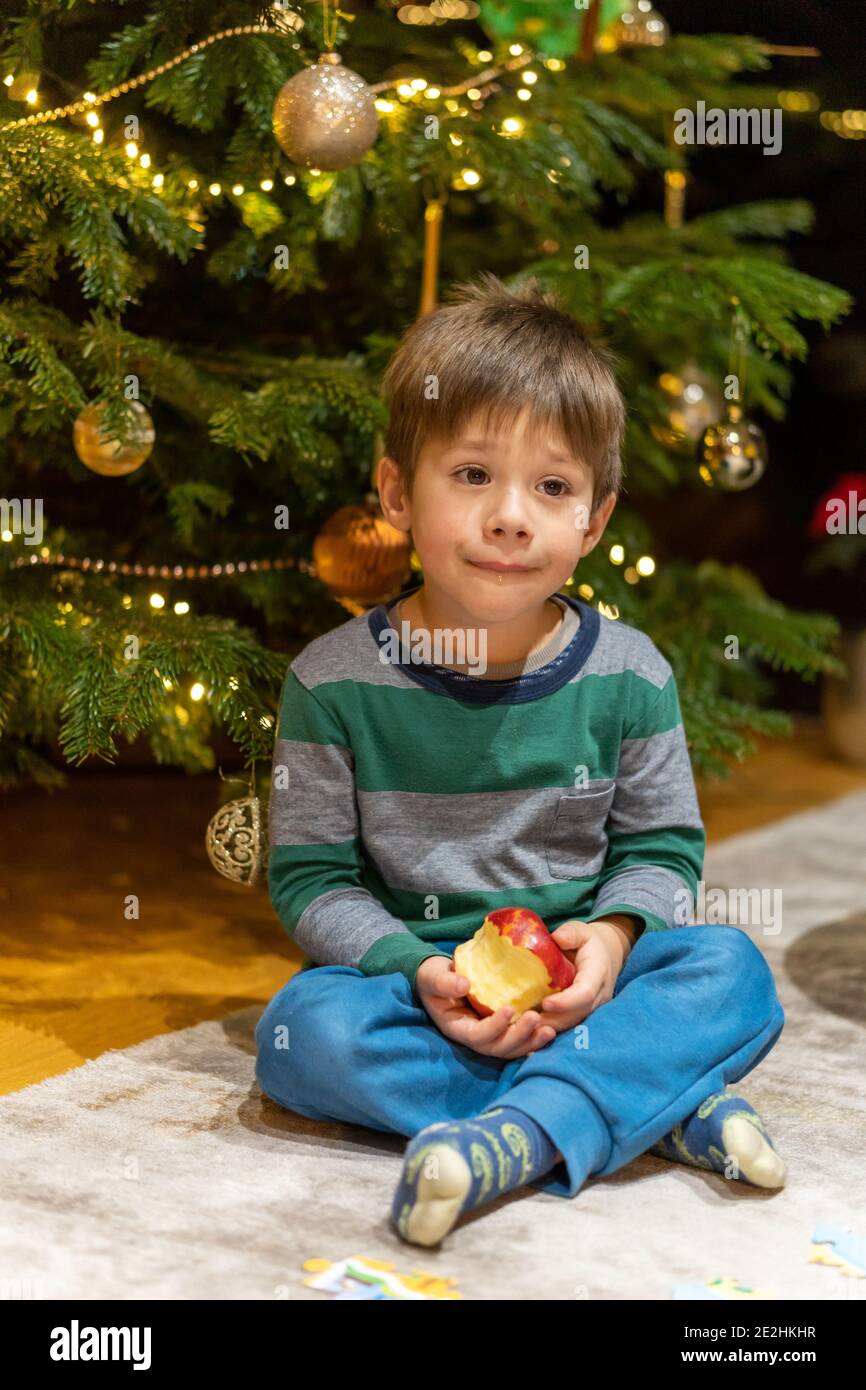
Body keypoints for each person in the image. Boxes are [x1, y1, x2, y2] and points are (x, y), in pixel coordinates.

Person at [255, 273, 786, 1248]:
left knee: (729, 967)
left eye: (550, 487)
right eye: (469, 475)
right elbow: (311, 881)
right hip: (418, 987)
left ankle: (512, 1133)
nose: (510, 516)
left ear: (591, 521)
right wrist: (417, 971)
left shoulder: (629, 674)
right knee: (301, 1034)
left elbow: (662, 852)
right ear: (393, 493)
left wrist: (618, 938)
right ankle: (651, 1106)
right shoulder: (330, 684)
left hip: (587, 974)